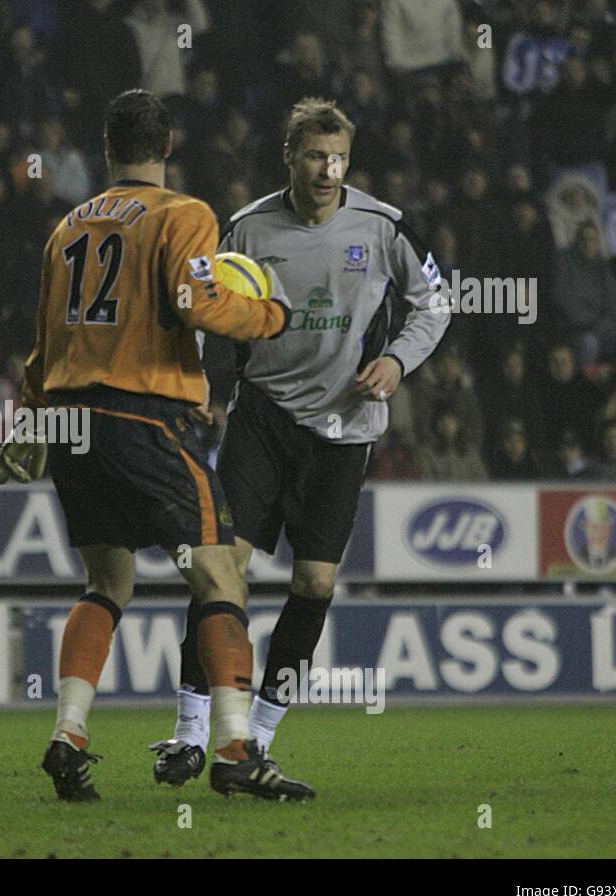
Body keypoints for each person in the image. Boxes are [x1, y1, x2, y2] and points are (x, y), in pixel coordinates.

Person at [3, 89, 307, 802]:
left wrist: (28, 417)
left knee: (107, 582)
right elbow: (196, 303)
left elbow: (41, 346)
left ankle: (68, 731)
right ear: (167, 147)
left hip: (68, 422)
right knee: (220, 577)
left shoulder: (66, 228)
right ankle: (235, 748)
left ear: (107, 149)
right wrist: (270, 313)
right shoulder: (184, 214)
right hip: (142, 416)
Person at [157, 97, 449, 788]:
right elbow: (196, 307)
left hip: (344, 433)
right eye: (316, 156)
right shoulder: (247, 227)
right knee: (219, 570)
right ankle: (189, 732)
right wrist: (197, 378)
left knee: (314, 582)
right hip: (264, 418)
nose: (329, 170)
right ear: (289, 157)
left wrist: (399, 361)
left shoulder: (382, 227)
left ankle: (255, 739)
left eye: (339, 157)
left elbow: (436, 302)